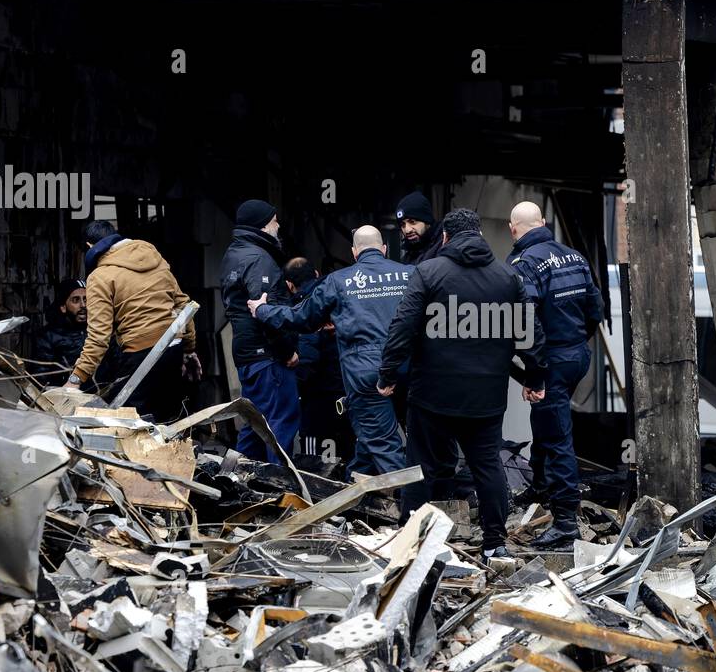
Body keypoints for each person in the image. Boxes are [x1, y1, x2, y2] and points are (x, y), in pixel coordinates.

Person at [377, 208, 544, 561]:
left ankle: (414, 543)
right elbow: (529, 334)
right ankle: (495, 543)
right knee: (487, 465)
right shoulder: (507, 276)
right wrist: (535, 378)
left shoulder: (428, 272)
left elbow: (403, 327)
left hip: (431, 395)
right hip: (485, 397)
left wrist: (388, 374)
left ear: (445, 238)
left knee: (423, 466)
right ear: (480, 235)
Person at [251, 227, 413, 476]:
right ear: (384, 249)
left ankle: (412, 509)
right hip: (410, 368)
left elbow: (301, 318)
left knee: (382, 444)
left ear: (354, 252)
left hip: (366, 372)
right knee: (383, 440)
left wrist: (263, 311)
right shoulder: (410, 274)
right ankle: (353, 493)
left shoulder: (338, 281)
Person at [505, 201, 604, 549]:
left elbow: (525, 322)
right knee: (546, 420)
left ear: (513, 228)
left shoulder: (523, 264)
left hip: (551, 360)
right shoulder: (575, 257)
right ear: (543, 222)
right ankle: (540, 486)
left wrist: (535, 374)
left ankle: (564, 520)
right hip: (577, 354)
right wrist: (575, 342)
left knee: (559, 436)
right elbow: (596, 309)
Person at [65, 221, 200, 422]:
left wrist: (75, 380)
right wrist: (189, 350)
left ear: (89, 246)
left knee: (132, 423)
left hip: (141, 354)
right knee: (166, 421)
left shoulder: (100, 277)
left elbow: (98, 338)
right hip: (173, 348)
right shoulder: (155, 257)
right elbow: (182, 306)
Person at [220, 199, 300, 464]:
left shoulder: (233, 254)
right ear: (264, 225)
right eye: (275, 221)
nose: (279, 226)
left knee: (256, 425)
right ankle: (281, 491)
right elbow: (264, 312)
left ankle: (236, 479)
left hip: (247, 355)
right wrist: (286, 351)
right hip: (268, 357)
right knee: (280, 425)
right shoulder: (259, 259)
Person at [282, 257, 354, 465]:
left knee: (315, 457)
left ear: (289, 285)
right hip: (346, 386)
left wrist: (296, 384)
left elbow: (308, 359)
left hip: (318, 394)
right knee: (348, 446)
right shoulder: (338, 297)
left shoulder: (302, 310)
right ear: (315, 274)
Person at [32, 278, 87, 387]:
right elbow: (41, 378)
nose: (83, 305)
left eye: (86, 299)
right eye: (76, 300)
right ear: (63, 307)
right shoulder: (48, 337)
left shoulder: (97, 331)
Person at [395, 192, 444, 265]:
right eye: (403, 225)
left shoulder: (444, 246)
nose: (407, 230)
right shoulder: (408, 256)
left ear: (427, 221)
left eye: (412, 222)